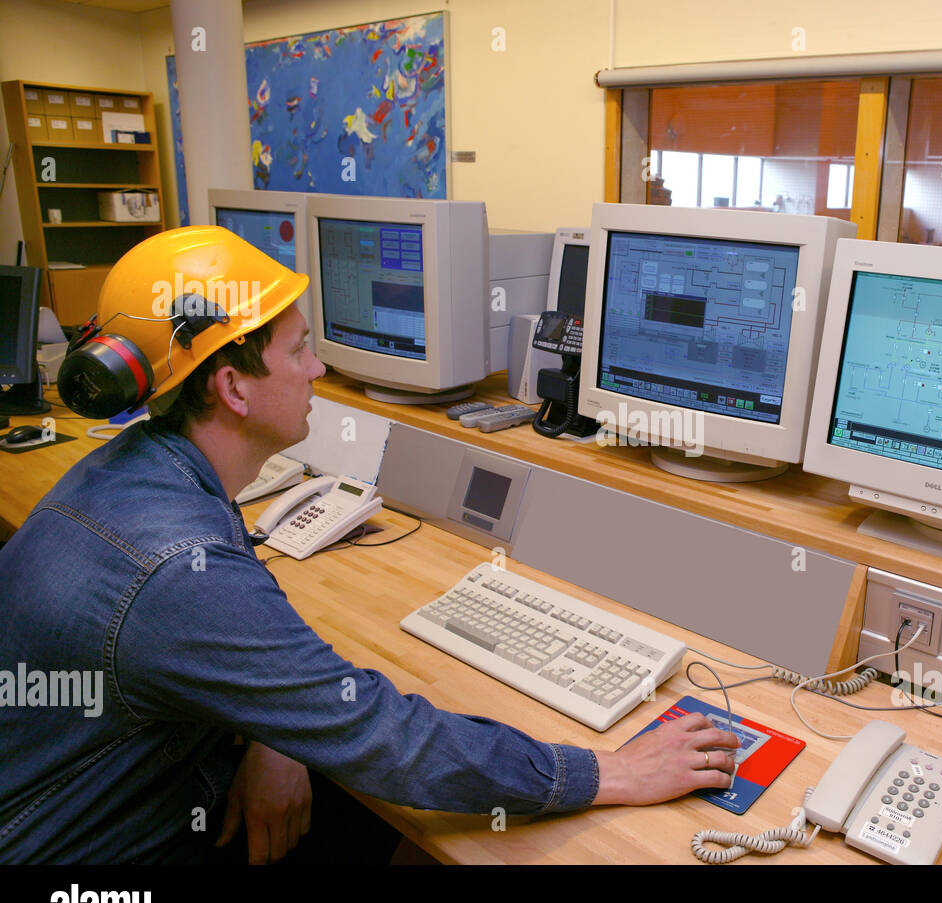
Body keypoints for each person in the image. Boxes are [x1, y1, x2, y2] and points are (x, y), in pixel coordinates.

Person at [0, 226, 737, 864]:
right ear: (232, 388)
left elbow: (230, 624)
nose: (319, 369)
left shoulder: (128, 473)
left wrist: (274, 732)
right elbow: (391, 741)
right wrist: (608, 773)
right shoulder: (177, 572)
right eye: (300, 352)